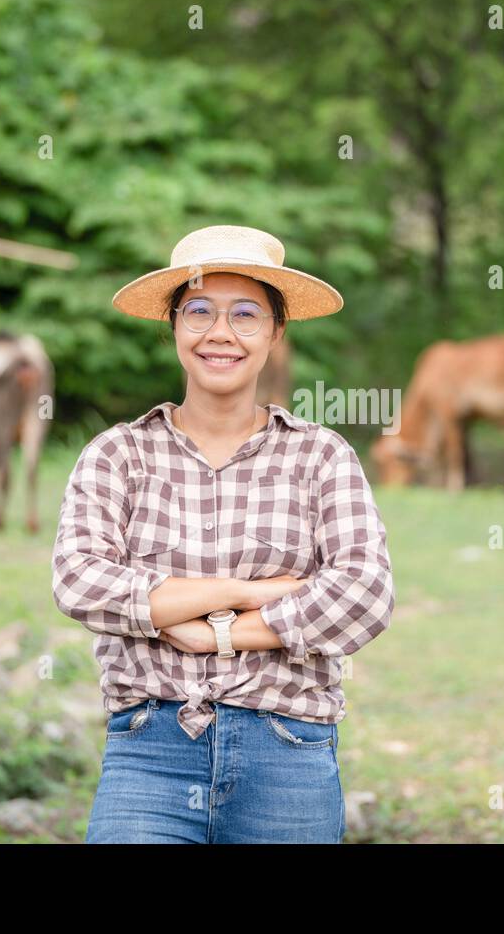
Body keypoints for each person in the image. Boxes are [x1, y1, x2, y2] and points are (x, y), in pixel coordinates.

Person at [52, 224, 395, 843]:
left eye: (245, 315)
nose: (221, 334)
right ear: (174, 327)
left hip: (288, 750)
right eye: (199, 311)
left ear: (276, 333)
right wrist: (247, 589)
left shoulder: (321, 457)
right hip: (147, 753)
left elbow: (365, 592)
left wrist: (214, 634)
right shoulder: (118, 455)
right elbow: (79, 579)